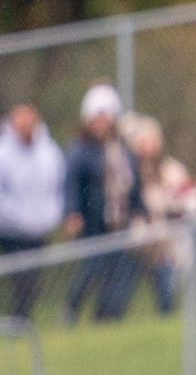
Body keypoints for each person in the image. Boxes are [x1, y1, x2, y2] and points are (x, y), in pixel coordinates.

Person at [61, 84, 143, 324]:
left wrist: (141, 211)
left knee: (120, 272)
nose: (102, 122)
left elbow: (133, 186)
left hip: (119, 222)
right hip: (94, 223)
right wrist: (73, 213)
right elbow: (72, 184)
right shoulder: (80, 151)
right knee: (92, 268)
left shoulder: (122, 149)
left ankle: (107, 317)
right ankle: (71, 310)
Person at [123, 114, 196, 316]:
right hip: (145, 231)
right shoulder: (133, 172)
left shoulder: (170, 168)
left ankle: (177, 305)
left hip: (171, 230)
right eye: (144, 143)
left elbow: (186, 194)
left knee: (180, 259)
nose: (149, 147)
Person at [0, 102, 66, 319]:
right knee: (18, 279)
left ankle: (22, 321)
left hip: (39, 230)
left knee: (32, 283)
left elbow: (57, 186)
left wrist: (49, 216)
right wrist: (17, 217)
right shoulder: (4, 153)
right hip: (10, 231)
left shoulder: (49, 152)